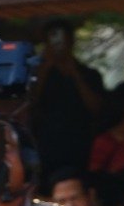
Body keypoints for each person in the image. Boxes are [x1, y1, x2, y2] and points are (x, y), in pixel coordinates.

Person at [30, 19, 105, 177]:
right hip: (47, 144)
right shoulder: (37, 75)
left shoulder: (88, 74)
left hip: (81, 143)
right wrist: (46, 67)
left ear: (71, 41)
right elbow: (30, 102)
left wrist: (74, 74)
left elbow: (97, 108)